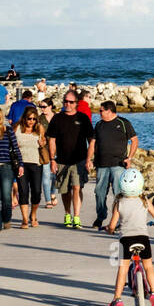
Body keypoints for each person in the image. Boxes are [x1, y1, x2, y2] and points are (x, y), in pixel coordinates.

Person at [105, 168, 154, 306]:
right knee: (149, 266)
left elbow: (112, 225)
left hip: (125, 239)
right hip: (143, 238)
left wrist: (109, 229)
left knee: (123, 268)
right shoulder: (144, 199)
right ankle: (153, 293)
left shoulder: (119, 202)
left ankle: (117, 299)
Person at [47, 90, 94, 228]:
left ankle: (77, 216)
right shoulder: (57, 118)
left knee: (77, 187)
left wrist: (89, 159)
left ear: (76, 103)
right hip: (61, 159)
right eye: (65, 101)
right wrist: (52, 159)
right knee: (65, 190)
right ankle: (67, 214)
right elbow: (52, 140)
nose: (67, 104)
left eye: (71, 102)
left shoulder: (83, 118)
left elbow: (91, 139)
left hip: (79, 159)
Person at [90, 101, 138, 231]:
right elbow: (93, 143)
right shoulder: (99, 125)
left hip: (118, 165)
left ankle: (119, 221)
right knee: (99, 193)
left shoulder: (123, 123)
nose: (99, 113)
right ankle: (100, 216)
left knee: (118, 194)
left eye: (101, 111)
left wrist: (130, 158)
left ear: (109, 111)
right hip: (101, 164)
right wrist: (89, 159)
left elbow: (134, 140)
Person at [13, 107, 47, 228]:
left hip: (36, 163)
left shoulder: (39, 128)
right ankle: (25, 219)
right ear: (24, 118)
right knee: (23, 191)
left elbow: (44, 142)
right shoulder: (17, 128)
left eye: (34, 119)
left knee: (37, 191)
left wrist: (43, 144)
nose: (31, 121)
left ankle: (33, 215)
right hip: (21, 164)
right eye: (29, 118)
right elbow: (11, 142)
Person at [37, 99, 58, 208]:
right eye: (41, 107)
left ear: (51, 106)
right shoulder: (40, 119)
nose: (42, 109)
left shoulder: (58, 118)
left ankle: (52, 193)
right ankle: (48, 200)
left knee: (55, 175)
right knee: (45, 175)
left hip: (57, 149)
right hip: (44, 150)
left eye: (44, 106)